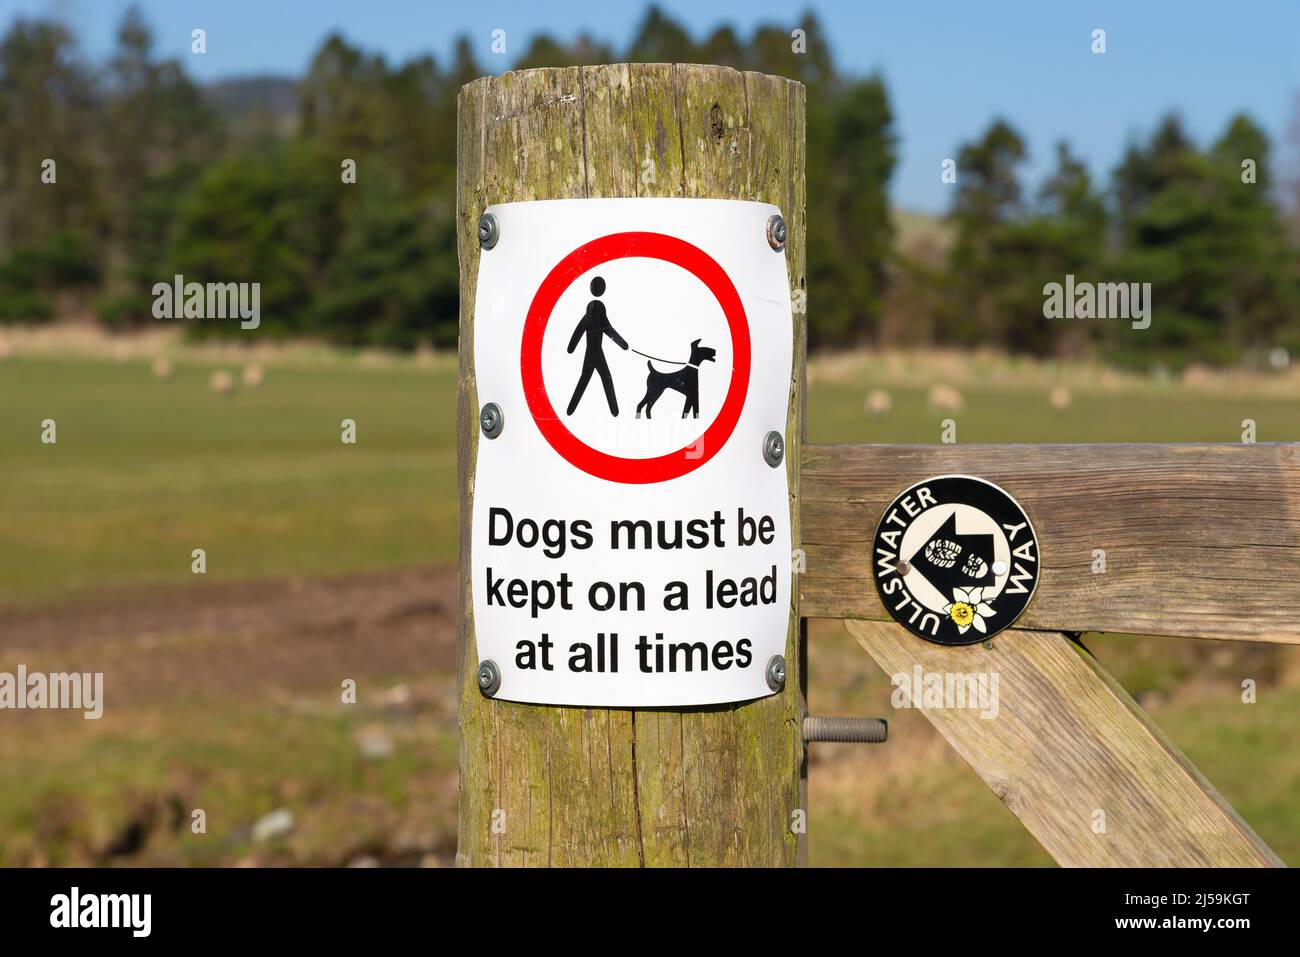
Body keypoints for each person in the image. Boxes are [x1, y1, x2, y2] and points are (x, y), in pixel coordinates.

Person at [565, 276, 628, 416]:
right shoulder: (600, 316)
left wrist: (571, 348)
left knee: (586, 379)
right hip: (597, 353)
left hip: (590, 352)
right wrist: (623, 345)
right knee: (606, 377)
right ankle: (614, 410)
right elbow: (610, 331)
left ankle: (571, 409)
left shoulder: (588, 315)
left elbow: (578, 331)